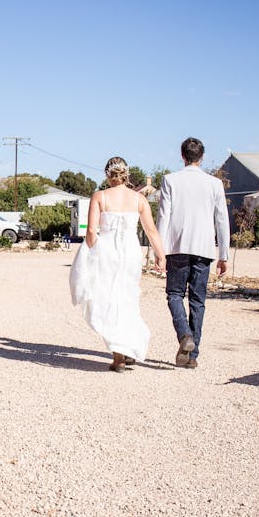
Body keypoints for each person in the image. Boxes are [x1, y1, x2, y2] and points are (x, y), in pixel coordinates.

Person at [70, 157, 167, 372]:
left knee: (108, 298)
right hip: (130, 253)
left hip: (107, 252)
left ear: (107, 174)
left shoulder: (100, 196)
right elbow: (150, 230)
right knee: (127, 297)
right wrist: (161, 254)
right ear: (127, 174)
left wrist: (91, 254)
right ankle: (126, 348)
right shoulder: (139, 199)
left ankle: (119, 356)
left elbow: (92, 231)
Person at [156, 137, 231, 368]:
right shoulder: (214, 184)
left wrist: (159, 250)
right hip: (204, 248)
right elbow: (222, 220)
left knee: (175, 295)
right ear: (202, 157)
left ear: (182, 155)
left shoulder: (170, 180)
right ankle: (192, 356)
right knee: (198, 301)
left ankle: (184, 335)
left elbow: (164, 216)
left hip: (177, 247)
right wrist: (224, 254)